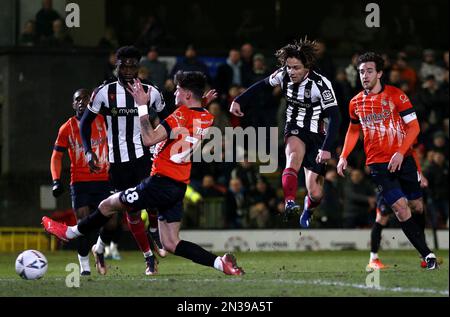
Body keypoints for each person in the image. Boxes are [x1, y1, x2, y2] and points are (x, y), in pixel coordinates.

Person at [42, 71, 244, 276]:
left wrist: (141, 105)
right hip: (178, 186)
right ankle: (221, 263)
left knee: (108, 204)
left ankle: (71, 232)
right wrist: (202, 103)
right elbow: (188, 116)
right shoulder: (206, 116)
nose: (174, 92)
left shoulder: (181, 115)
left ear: (188, 95)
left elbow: (148, 139)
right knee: (172, 243)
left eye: (178, 90)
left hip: (160, 182)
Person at [337, 52, 439, 270]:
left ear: (380, 73)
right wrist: (344, 156)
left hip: (404, 159)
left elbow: (414, 127)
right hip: (378, 165)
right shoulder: (355, 103)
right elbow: (353, 130)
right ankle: (428, 256)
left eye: (369, 71)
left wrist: (401, 152)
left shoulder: (396, 96)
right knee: (401, 208)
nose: (364, 75)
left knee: (417, 206)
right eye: (361, 71)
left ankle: (423, 250)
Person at [230, 38, 340, 228]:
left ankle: (309, 206)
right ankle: (290, 202)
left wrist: (327, 148)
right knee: (293, 157)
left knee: (316, 193)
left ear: (307, 66)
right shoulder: (283, 75)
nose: (292, 71)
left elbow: (336, 117)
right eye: (289, 67)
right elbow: (262, 84)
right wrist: (239, 100)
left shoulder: (321, 85)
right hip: (294, 127)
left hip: (316, 135)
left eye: (296, 68)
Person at [79, 46, 168, 274]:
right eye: (124, 65)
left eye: (133, 65)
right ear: (116, 65)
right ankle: (147, 258)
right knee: (128, 214)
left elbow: (165, 120)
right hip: (117, 163)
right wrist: (88, 151)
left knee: (153, 198)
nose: (128, 70)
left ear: (139, 67)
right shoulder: (104, 93)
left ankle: (157, 235)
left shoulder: (152, 92)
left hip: (143, 156)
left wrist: (162, 144)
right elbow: (85, 123)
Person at [50, 89, 114, 275]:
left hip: (104, 180)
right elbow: (56, 156)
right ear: (73, 104)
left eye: (86, 99)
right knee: (83, 225)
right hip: (80, 183)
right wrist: (56, 180)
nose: (82, 102)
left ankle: (99, 249)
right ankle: (84, 267)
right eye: (77, 99)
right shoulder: (67, 128)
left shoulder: (103, 121)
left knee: (112, 223)